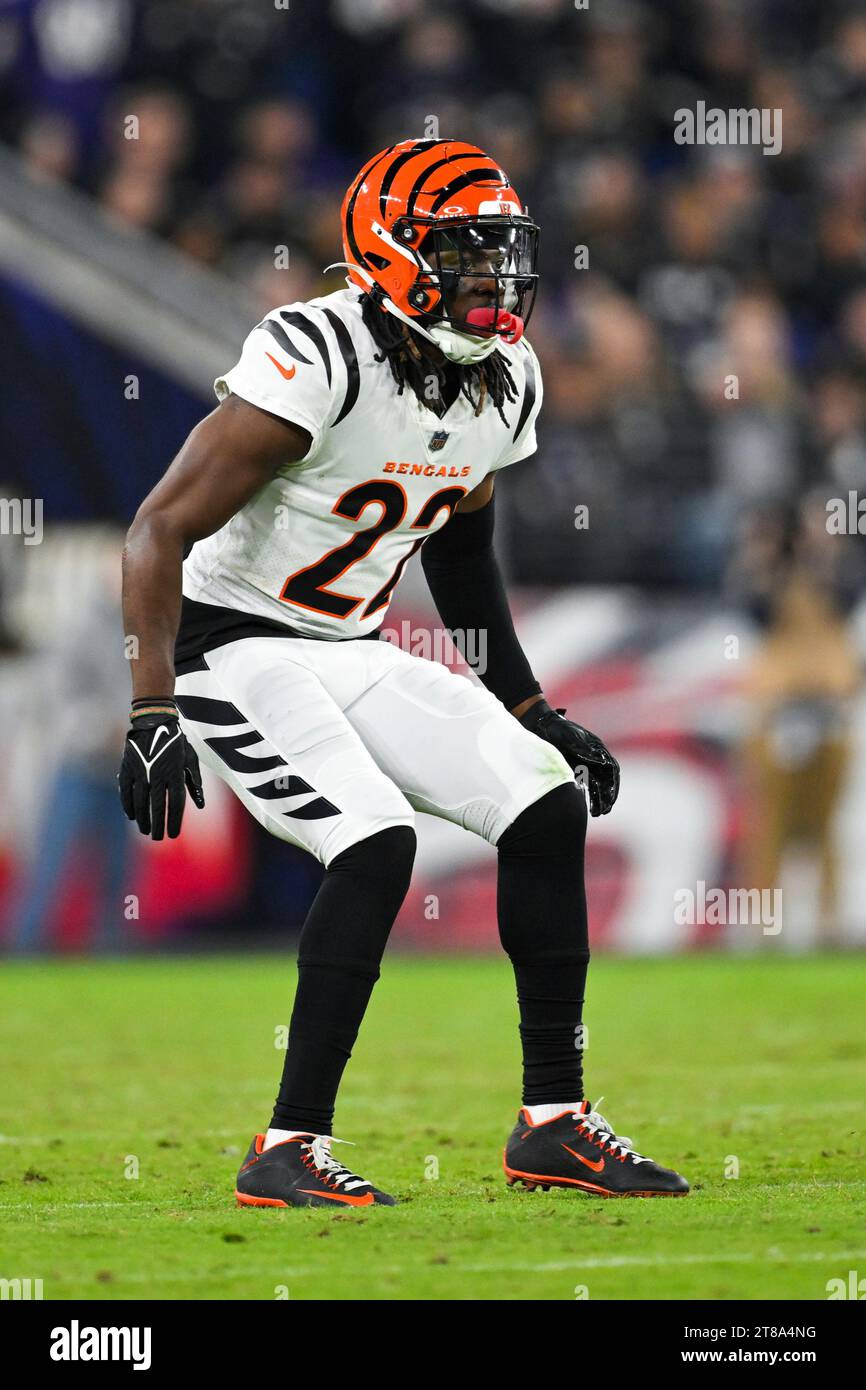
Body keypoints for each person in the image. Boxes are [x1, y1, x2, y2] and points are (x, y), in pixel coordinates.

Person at [119, 138, 689, 1205]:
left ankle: (551, 1122)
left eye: (500, 257)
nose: (492, 282)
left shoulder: (499, 376)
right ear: (389, 254)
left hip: (351, 646)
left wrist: (531, 710)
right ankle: (286, 1145)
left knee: (541, 801)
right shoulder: (315, 353)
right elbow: (155, 532)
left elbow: (462, 554)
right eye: (464, 256)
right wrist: (152, 705)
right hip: (233, 645)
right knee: (374, 841)